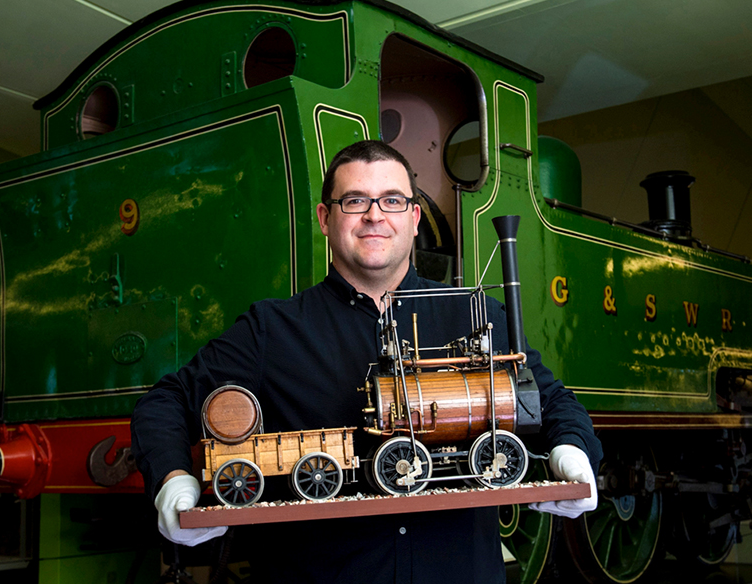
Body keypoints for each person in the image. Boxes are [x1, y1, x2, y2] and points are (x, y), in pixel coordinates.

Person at [131, 140, 602, 584]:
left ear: (414, 217)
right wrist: (173, 481)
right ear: (325, 217)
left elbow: (553, 400)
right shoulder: (270, 330)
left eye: (392, 201)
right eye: (354, 201)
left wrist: (574, 452)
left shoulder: (474, 312)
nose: (375, 216)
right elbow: (166, 401)